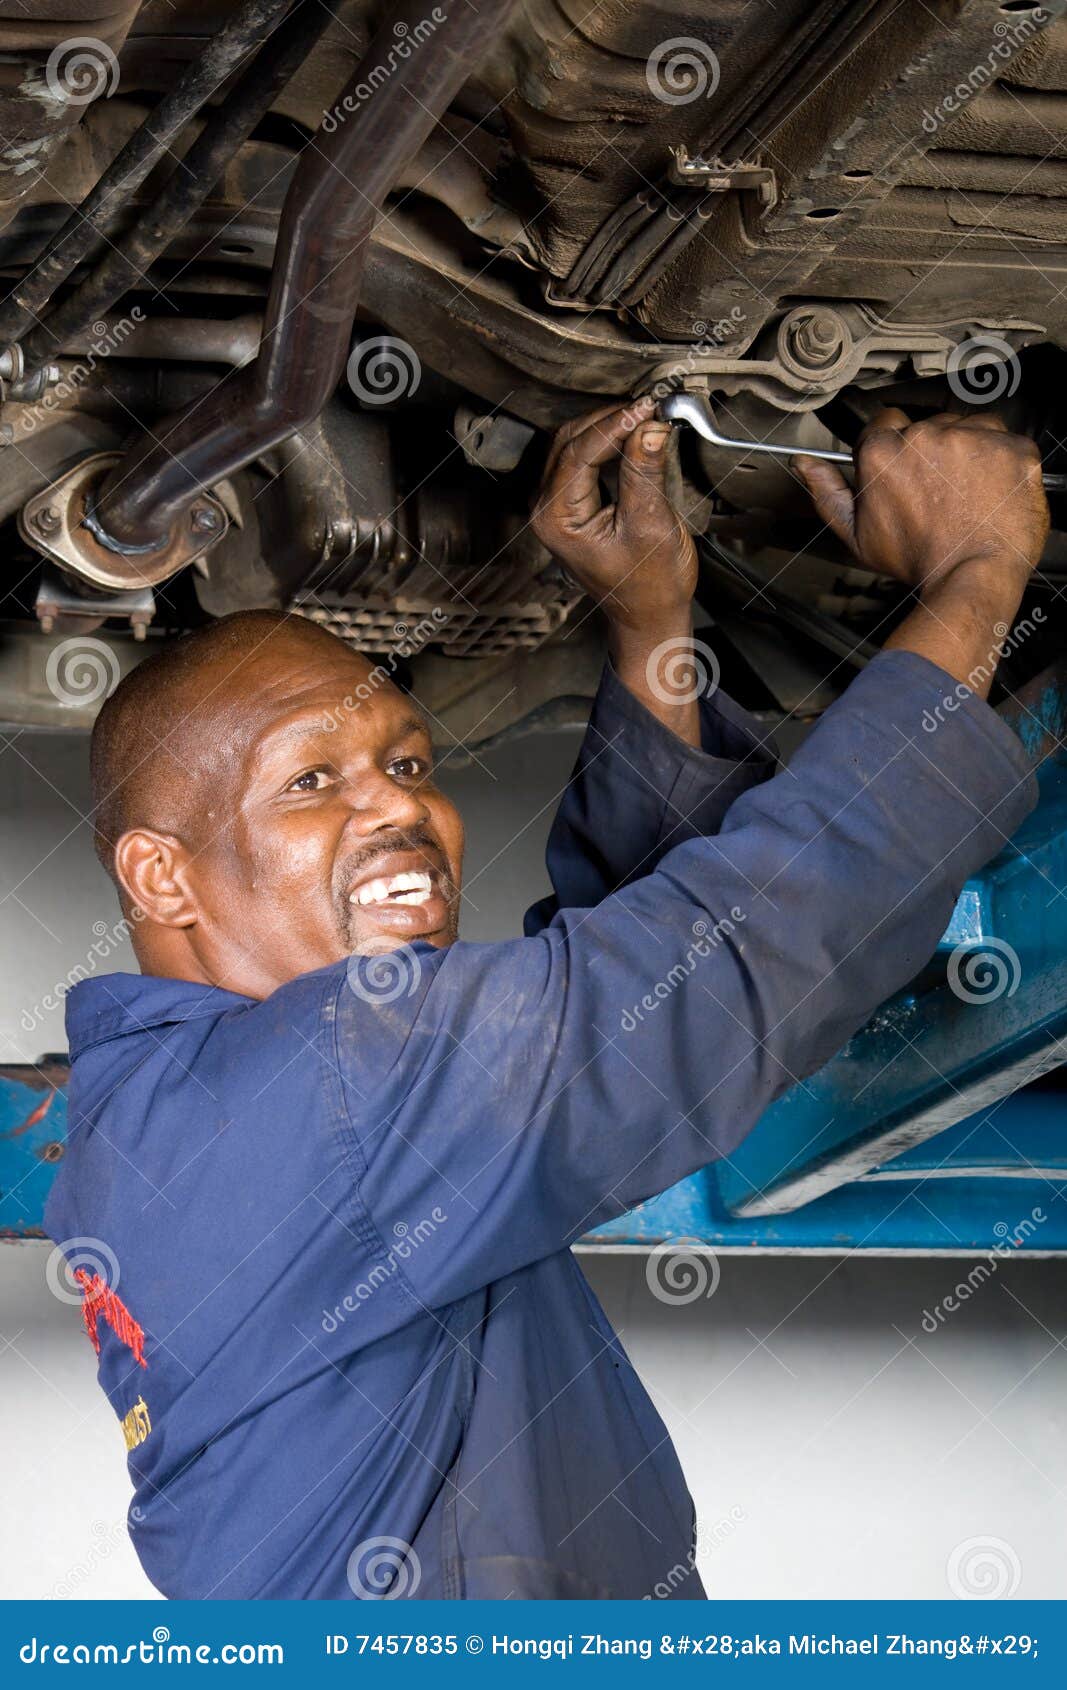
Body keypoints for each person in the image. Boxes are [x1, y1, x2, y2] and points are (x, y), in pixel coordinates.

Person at [45, 398, 1047, 1599]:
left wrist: (649, 624)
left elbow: (628, 975)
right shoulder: (315, 1082)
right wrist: (979, 571)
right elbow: (732, 960)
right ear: (160, 876)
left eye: (406, 763)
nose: (399, 805)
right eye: (311, 779)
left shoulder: (181, 1115)